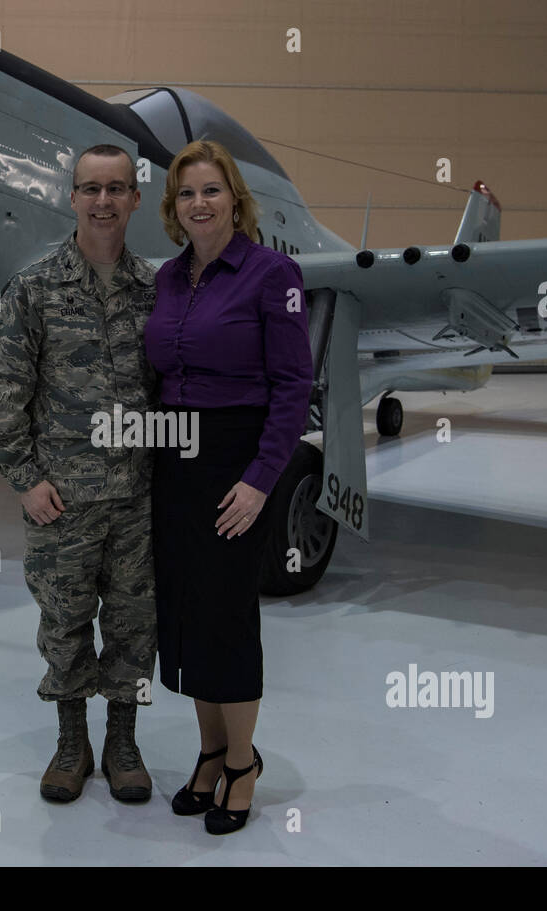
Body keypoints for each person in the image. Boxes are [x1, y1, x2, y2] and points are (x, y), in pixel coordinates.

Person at [0, 144, 159, 804]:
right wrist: (26, 479)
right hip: (63, 502)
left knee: (137, 627)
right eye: (91, 189)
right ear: (72, 198)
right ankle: (71, 741)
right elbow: (3, 402)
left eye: (117, 189)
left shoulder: (157, 292)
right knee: (65, 624)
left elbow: (174, 393)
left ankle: (123, 741)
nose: (104, 201)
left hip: (138, 501)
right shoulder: (34, 289)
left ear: (136, 199)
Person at [144, 140, 312, 835]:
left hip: (236, 460)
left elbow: (294, 386)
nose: (199, 204)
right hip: (174, 462)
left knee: (228, 614)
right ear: (173, 207)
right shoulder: (167, 280)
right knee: (184, 614)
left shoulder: (274, 275)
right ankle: (210, 752)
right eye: (186, 194)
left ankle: (243, 763)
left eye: (212, 191)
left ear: (235, 200)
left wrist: (260, 481)